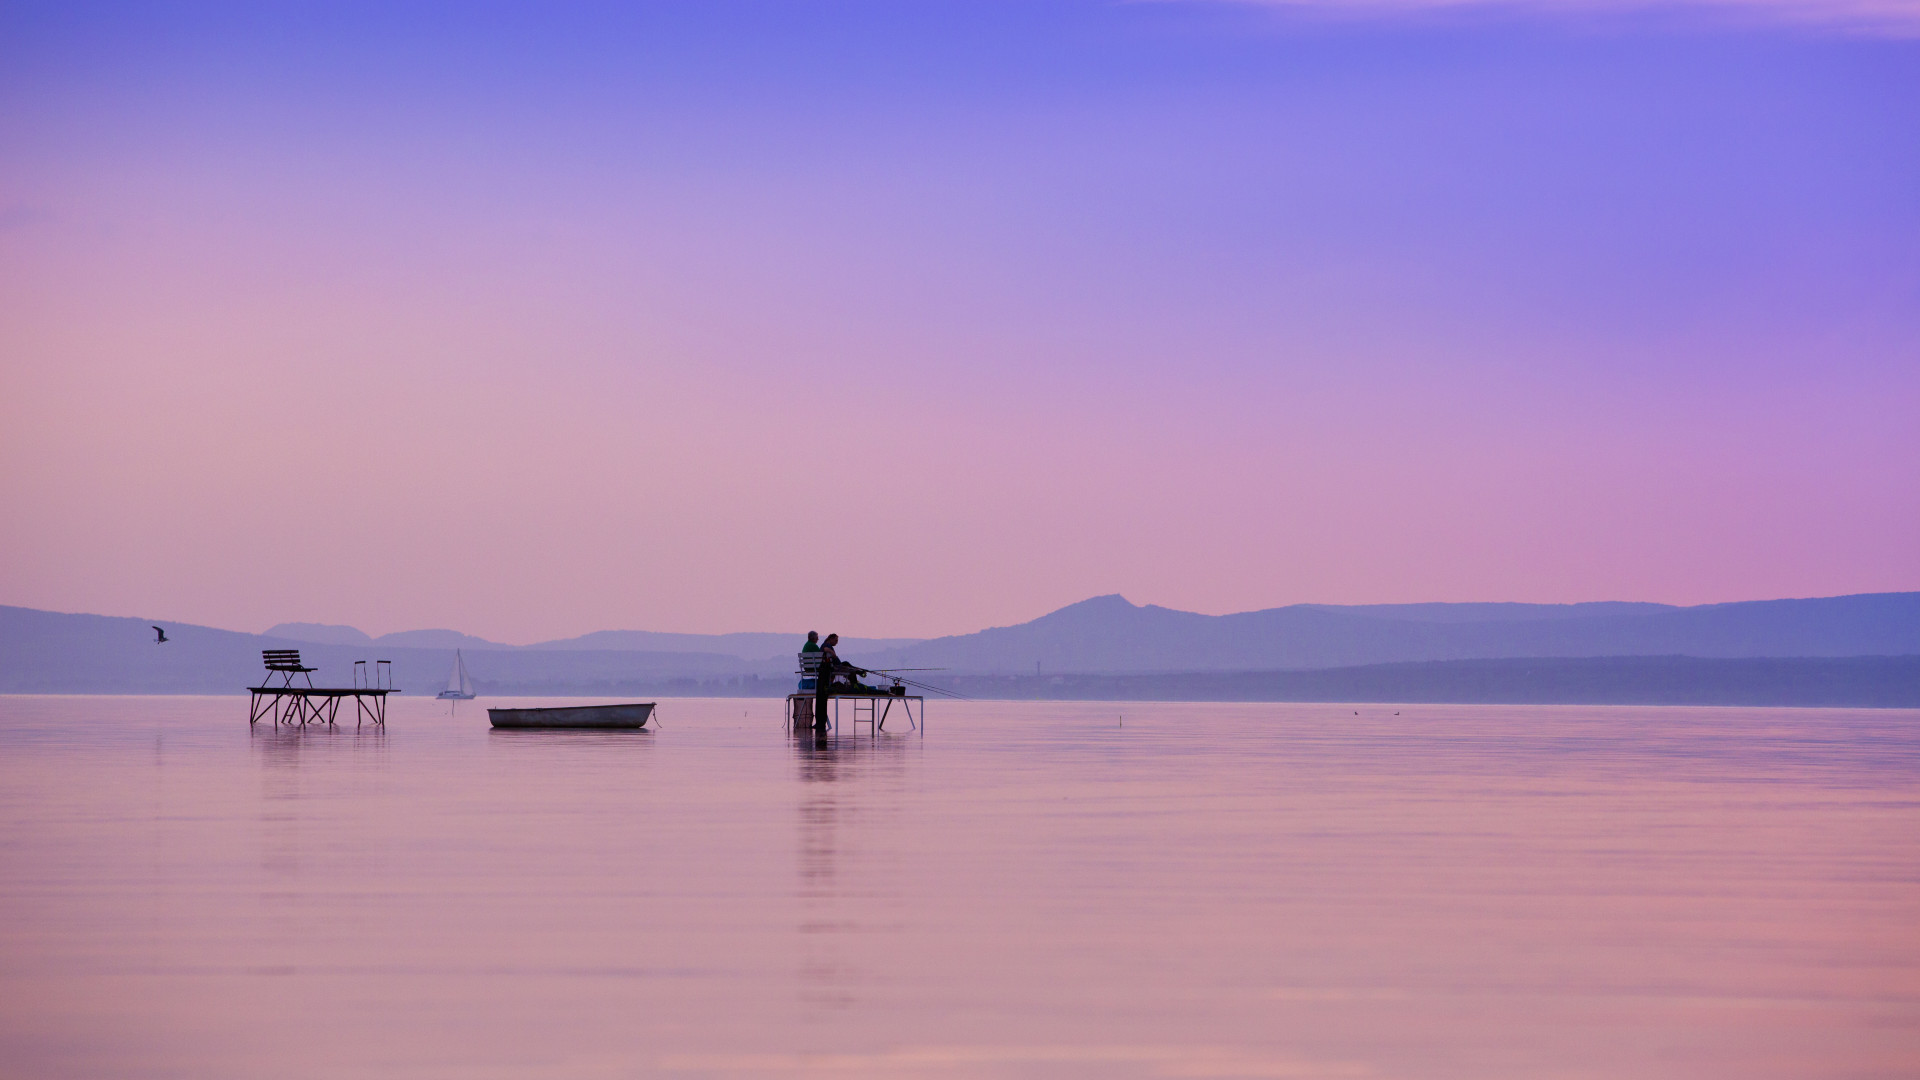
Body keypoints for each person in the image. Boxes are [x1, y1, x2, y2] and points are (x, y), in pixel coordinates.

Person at [812, 633, 881, 730]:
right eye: (835, 640)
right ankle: (857, 677)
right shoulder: (826, 645)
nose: (836, 642)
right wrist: (833, 653)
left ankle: (858, 672)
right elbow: (825, 649)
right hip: (836, 667)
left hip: (837, 666)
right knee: (849, 667)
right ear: (830, 639)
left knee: (847, 664)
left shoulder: (827, 645)